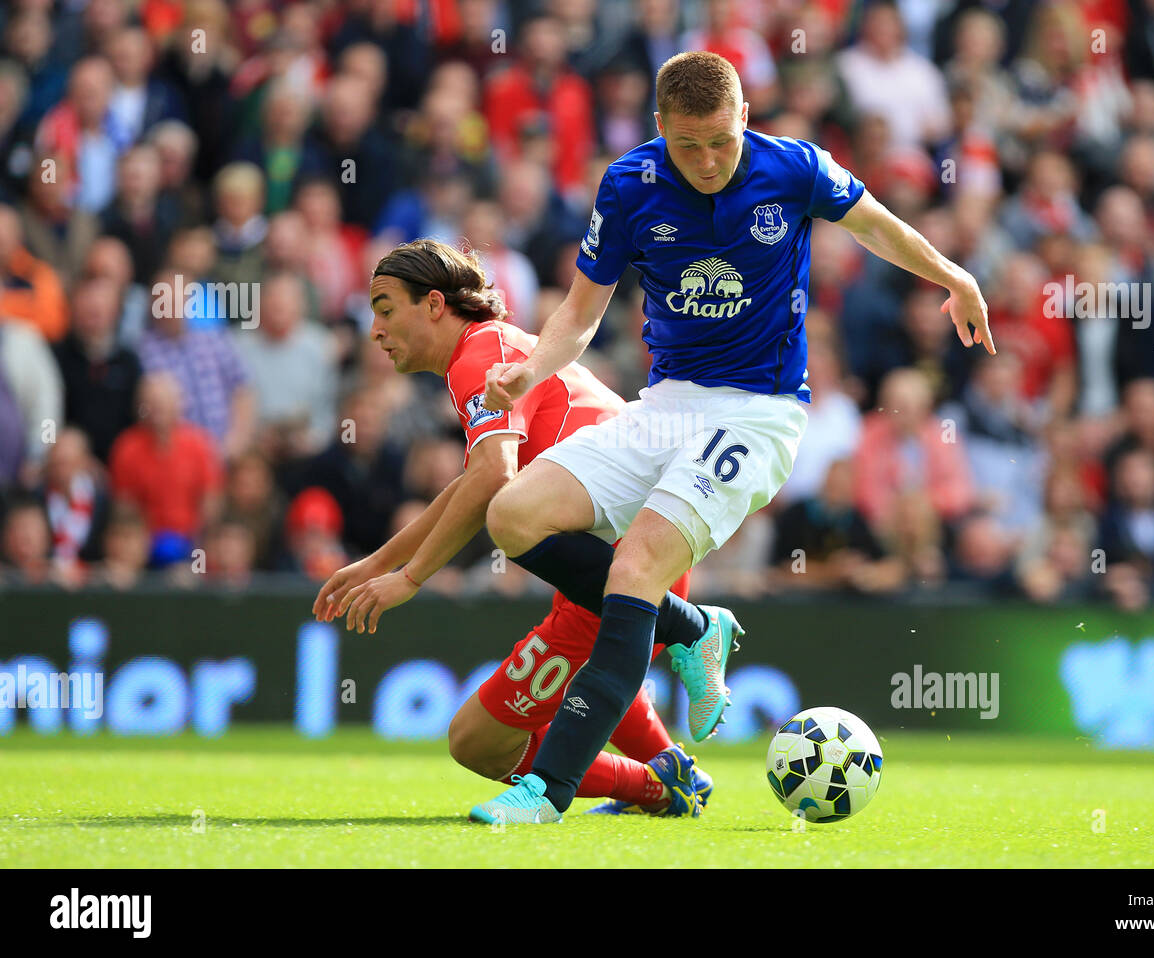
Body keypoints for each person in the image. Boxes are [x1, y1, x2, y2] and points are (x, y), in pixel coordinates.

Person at [473, 51, 994, 824]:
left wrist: (955, 277)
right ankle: (694, 628)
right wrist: (532, 371)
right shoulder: (629, 185)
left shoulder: (794, 169)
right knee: (511, 516)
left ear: (744, 116)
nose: (709, 161)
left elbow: (879, 229)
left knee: (638, 567)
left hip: (760, 411)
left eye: (722, 140)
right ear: (661, 130)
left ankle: (546, 792)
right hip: (668, 402)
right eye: (689, 145)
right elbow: (582, 313)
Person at [313, 239, 706, 818]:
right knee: (595, 661)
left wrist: (411, 579)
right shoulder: (490, 349)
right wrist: (378, 564)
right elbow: (474, 480)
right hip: (643, 545)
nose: (375, 329)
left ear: (435, 305)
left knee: (474, 741)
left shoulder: (483, 356)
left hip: (622, 555)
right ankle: (673, 773)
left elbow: (494, 477)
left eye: (385, 308)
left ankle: (654, 783)